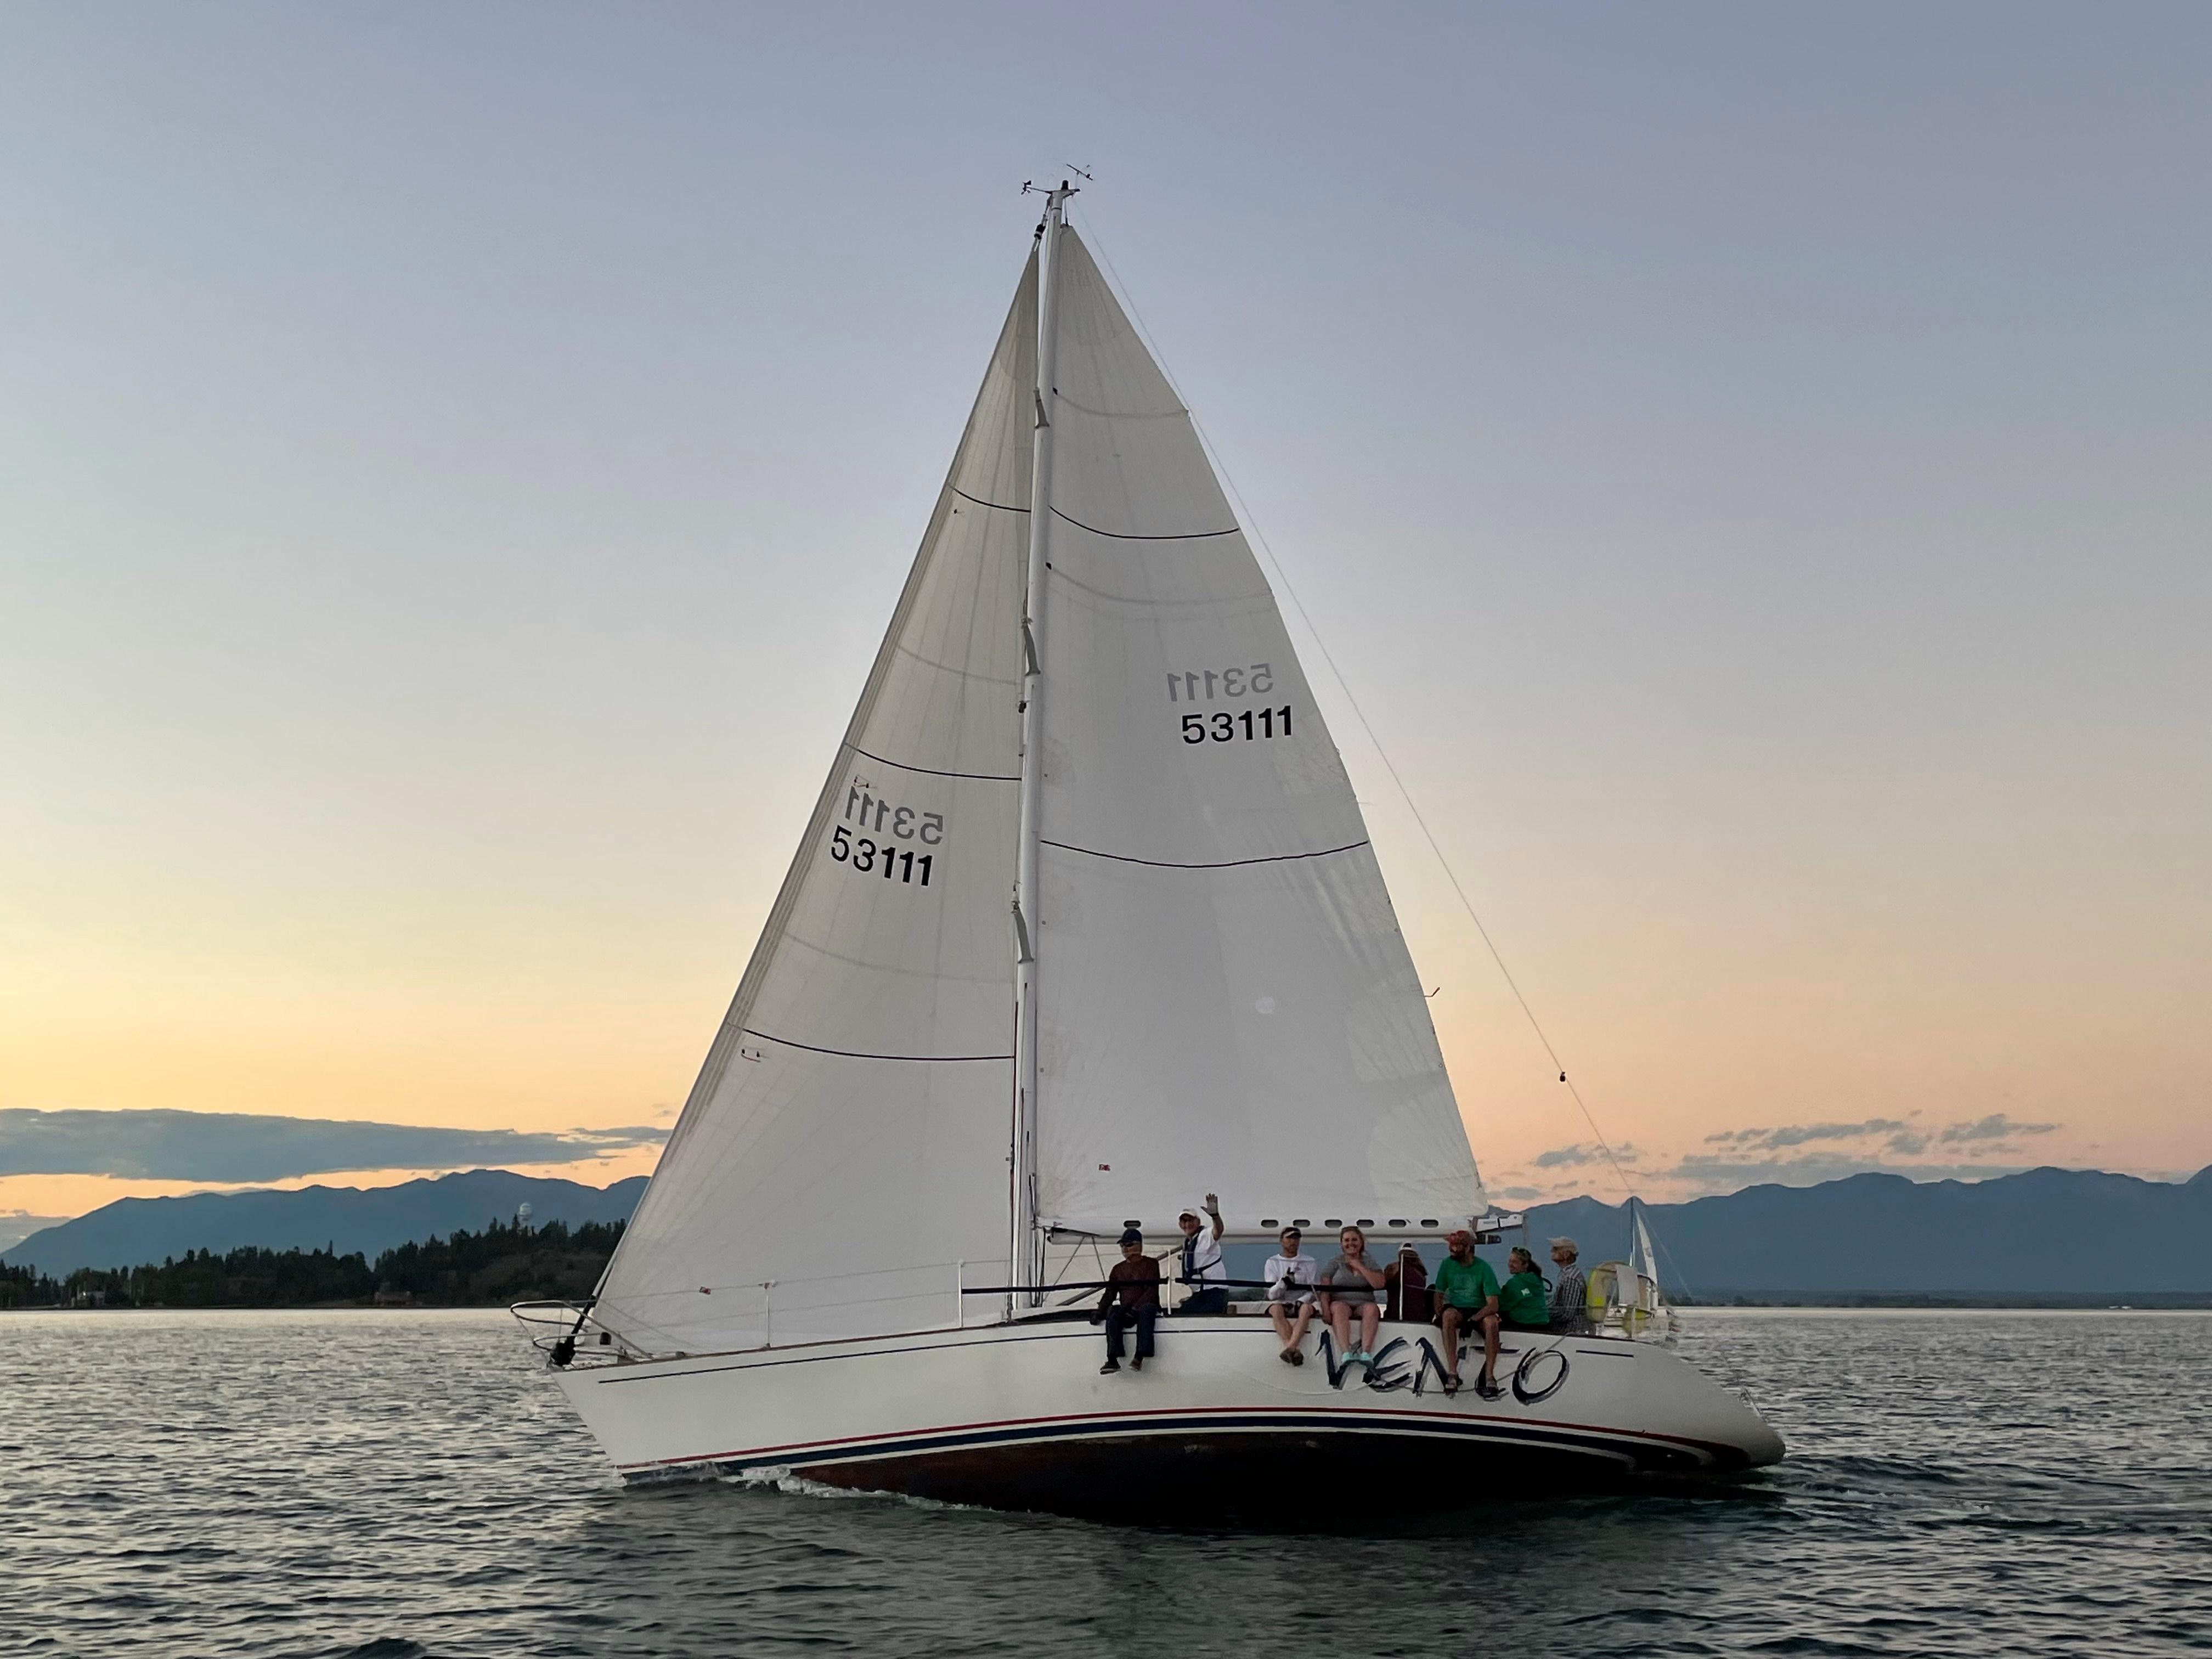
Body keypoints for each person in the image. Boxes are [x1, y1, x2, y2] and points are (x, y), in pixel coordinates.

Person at [1432, 1228, 1502, 1397]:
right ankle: (1453, 1372)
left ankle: (1490, 1375)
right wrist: (1439, 1311)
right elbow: (1438, 1292)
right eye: (1451, 1245)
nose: (1452, 1249)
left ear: (1468, 1247)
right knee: (1448, 1316)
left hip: (1479, 1309)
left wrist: (1474, 1320)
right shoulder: (1446, 1264)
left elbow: (1493, 1304)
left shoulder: (1483, 1268)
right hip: (1457, 1308)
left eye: (1457, 1245)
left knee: (1491, 1323)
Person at [1093, 1228, 1163, 1374]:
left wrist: (1135, 1310)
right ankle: (1112, 1359)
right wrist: (1100, 1312)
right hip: (1126, 1308)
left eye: (1129, 1245)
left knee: (1147, 1310)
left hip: (1145, 1306)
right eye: (1122, 1245)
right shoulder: (1118, 1269)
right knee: (1113, 1311)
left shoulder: (1151, 1264)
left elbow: (1151, 1291)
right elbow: (1110, 1293)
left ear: (1139, 1246)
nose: (1125, 1249)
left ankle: (1139, 1356)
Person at [1317, 1226, 1387, 1363]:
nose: (1351, 1244)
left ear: (1361, 1242)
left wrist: (1360, 1266)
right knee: (1339, 1308)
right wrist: (1325, 1310)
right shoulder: (1335, 1263)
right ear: (1342, 1244)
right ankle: (1346, 1352)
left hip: (1364, 1302)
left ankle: (1366, 1353)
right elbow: (1325, 1288)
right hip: (1340, 1302)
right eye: (1347, 1240)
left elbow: (1379, 1284)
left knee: (1372, 1308)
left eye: (1354, 1240)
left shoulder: (1370, 1263)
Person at [1262, 1226, 1319, 1364]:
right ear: (1281, 1241)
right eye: (1289, 1238)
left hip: (1303, 1303)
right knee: (1276, 1309)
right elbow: (1272, 1295)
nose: (1293, 1242)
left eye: (1296, 1238)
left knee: (1306, 1309)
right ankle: (1293, 1348)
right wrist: (1284, 1282)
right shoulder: (1272, 1262)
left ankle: (1290, 1347)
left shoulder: (1309, 1261)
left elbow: (1312, 1289)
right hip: (1280, 1302)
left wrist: (1301, 1301)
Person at [1168, 1194, 1228, 1315]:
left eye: (1190, 1220)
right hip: (1199, 1293)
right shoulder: (1188, 1243)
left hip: (1214, 1292)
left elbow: (1218, 1231)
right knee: (1178, 1317)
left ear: (1198, 1222)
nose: (1187, 1224)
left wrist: (1215, 1216)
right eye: (1184, 1221)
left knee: (1194, 1318)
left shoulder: (1205, 1235)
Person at [1499, 1246, 1551, 1331]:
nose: (1510, 1264)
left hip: (1524, 1324)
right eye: (1510, 1261)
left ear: (1525, 1265)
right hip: (1543, 1323)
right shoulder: (1536, 1279)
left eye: (1515, 1262)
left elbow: (1502, 1305)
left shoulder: (1515, 1283)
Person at [1548, 1237, 1590, 1334]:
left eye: (1556, 1249)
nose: (1551, 1251)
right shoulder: (1566, 1275)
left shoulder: (1571, 1278)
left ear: (1566, 1254)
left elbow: (1567, 1314)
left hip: (1571, 1332)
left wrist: (1544, 1315)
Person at [1384, 1242, 1431, 1323]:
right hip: (1408, 1316)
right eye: (1405, 1255)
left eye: (1409, 1255)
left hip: (1399, 1316)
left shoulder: (1394, 1268)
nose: (1407, 1257)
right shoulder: (1421, 1272)